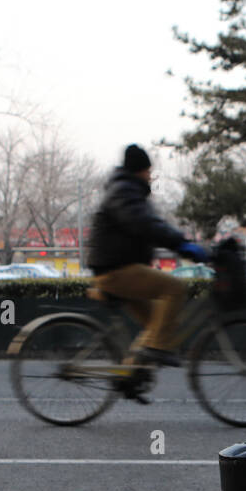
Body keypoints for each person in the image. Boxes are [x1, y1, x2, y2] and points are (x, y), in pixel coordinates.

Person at [84, 144, 208, 383]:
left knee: (156, 324)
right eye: (148, 171)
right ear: (140, 170)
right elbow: (146, 224)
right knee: (174, 288)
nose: (150, 175)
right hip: (116, 270)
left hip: (118, 267)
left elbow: (149, 224)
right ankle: (160, 350)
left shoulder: (126, 191)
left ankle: (130, 375)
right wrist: (181, 244)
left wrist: (179, 243)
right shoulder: (124, 192)